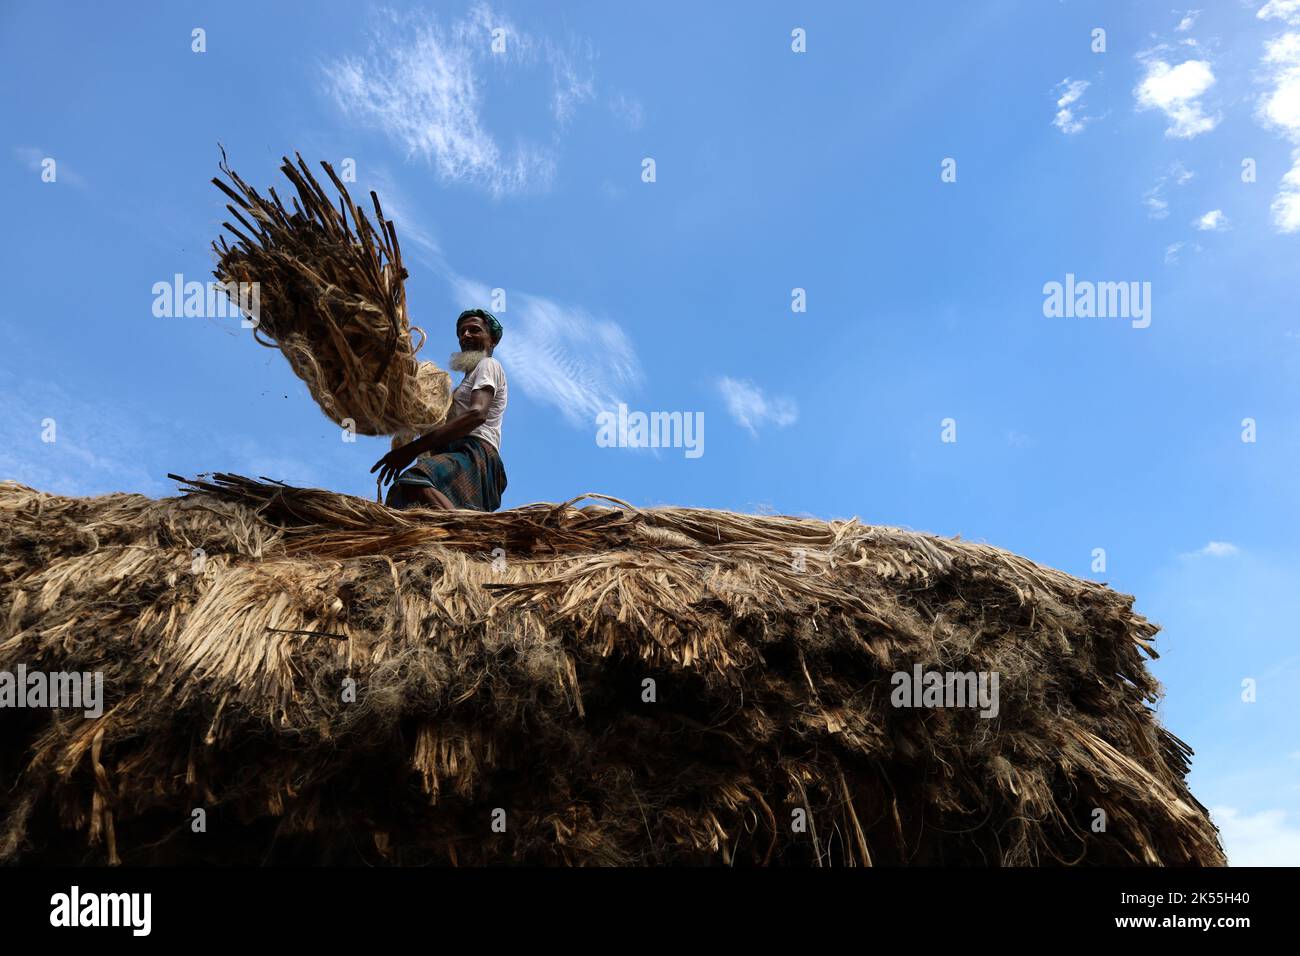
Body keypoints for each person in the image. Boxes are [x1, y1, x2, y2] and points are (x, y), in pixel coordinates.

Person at [372, 309, 508, 511]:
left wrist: (412, 449)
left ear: (493, 340)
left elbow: (477, 414)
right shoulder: (461, 386)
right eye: (462, 332)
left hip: (473, 452)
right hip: (456, 451)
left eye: (474, 330)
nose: (466, 336)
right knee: (403, 500)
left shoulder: (488, 365)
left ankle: (467, 535)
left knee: (413, 481)